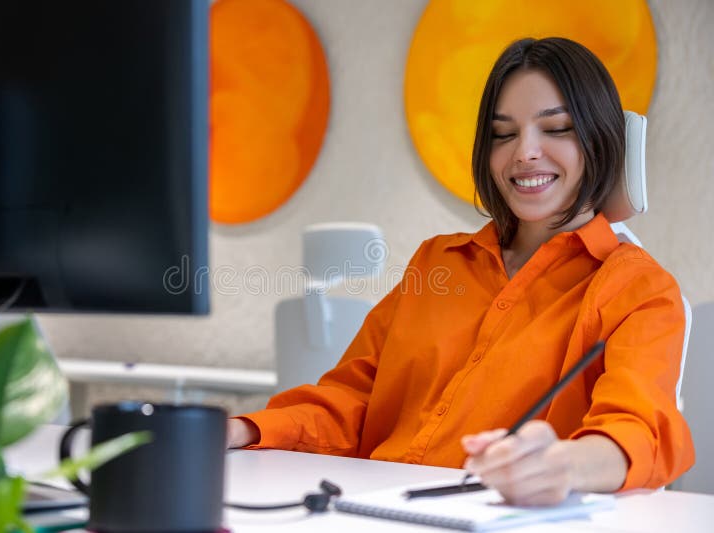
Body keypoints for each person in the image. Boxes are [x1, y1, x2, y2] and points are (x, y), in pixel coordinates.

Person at [226, 37, 695, 505]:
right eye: (503, 134)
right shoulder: (437, 263)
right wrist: (238, 431)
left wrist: (563, 465)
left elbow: (639, 429)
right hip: (368, 512)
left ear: (600, 139)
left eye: (556, 129)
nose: (524, 153)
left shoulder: (639, 290)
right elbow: (350, 403)